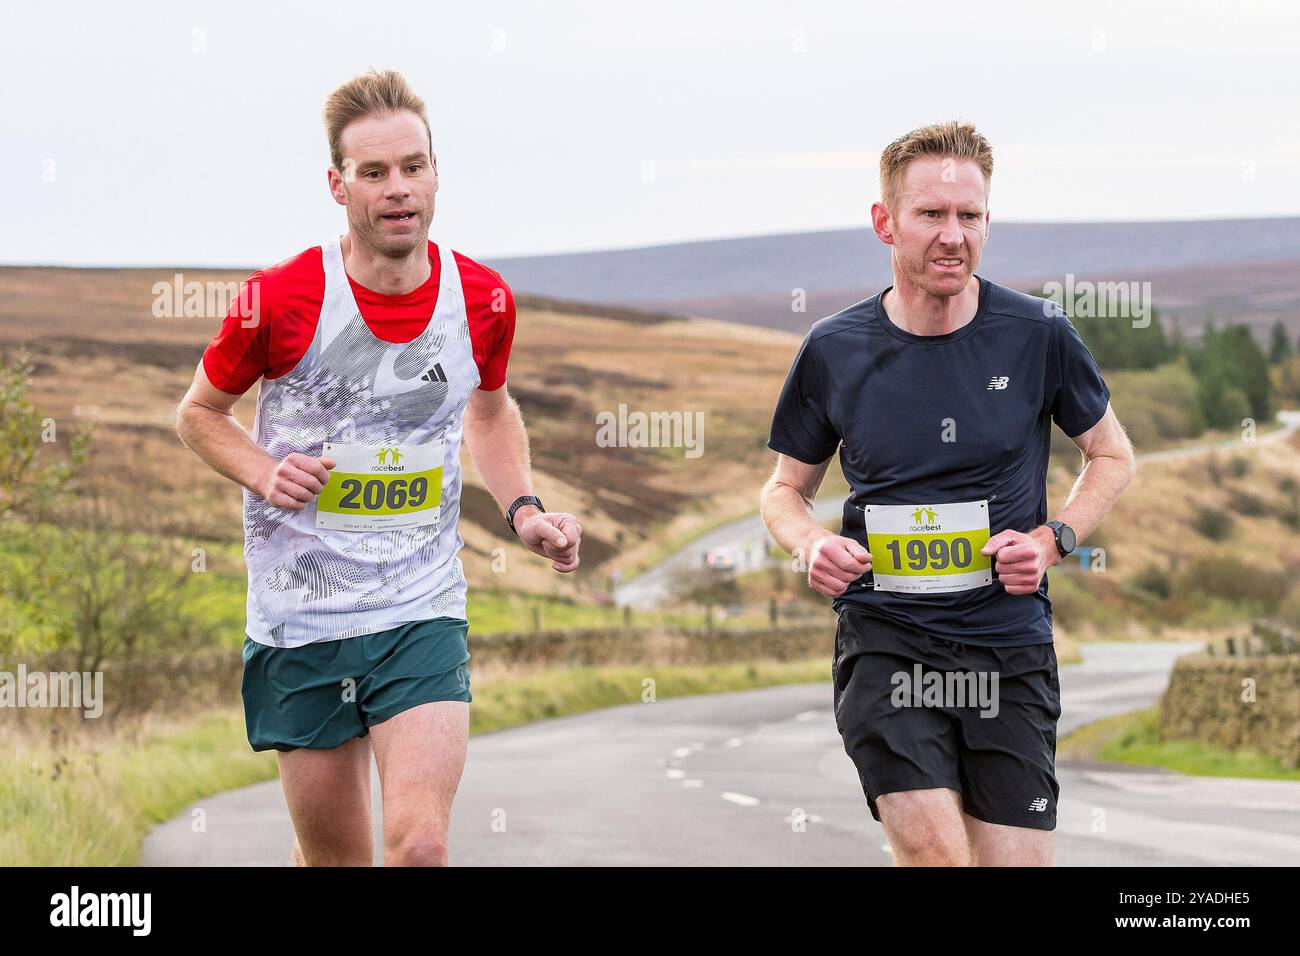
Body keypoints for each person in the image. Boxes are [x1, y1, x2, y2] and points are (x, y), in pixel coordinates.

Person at [175, 69, 582, 866]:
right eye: (374, 172)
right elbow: (197, 414)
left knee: (420, 846)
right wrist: (262, 471)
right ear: (339, 185)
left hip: (420, 608)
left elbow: (489, 410)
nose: (398, 188)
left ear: (435, 173)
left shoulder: (483, 299)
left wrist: (525, 510)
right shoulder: (281, 298)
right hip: (302, 620)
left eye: (413, 166)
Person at [759, 121, 1136, 866]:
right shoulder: (835, 348)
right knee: (936, 857)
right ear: (885, 222)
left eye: (970, 216)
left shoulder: (1037, 333)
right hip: (887, 639)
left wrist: (1051, 540)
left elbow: (1112, 454)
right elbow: (783, 489)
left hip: (1007, 646)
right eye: (931, 214)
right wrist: (810, 544)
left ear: (988, 221)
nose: (953, 236)